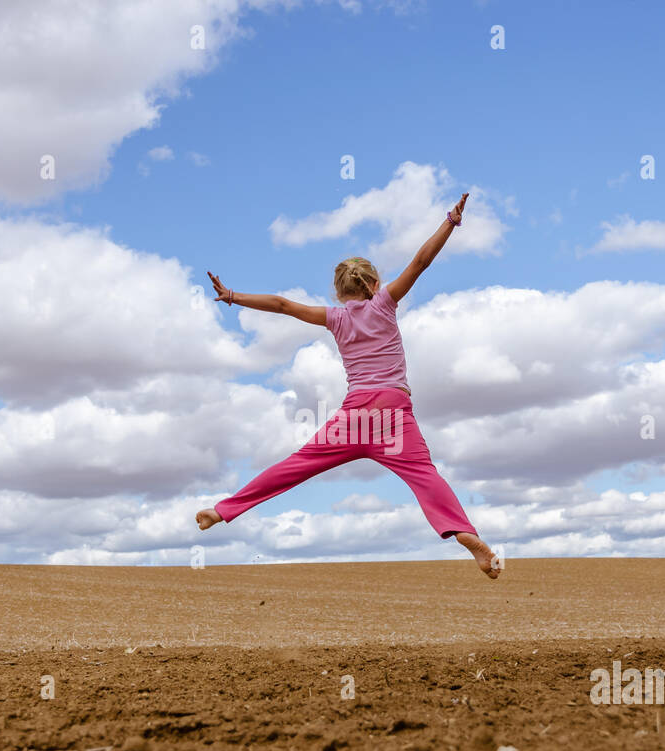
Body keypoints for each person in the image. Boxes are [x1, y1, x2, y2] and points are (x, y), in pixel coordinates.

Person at [198, 193, 500, 579]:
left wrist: (234, 296)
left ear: (339, 293)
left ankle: (222, 511)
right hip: (393, 412)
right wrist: (450, 222)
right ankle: (465, 533)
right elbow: (421, 262)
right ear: (374, 284)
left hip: (355, 414)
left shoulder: (335, 319)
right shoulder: (385, 303)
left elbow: (282, 305)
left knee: (296, 465)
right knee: (425, 475)